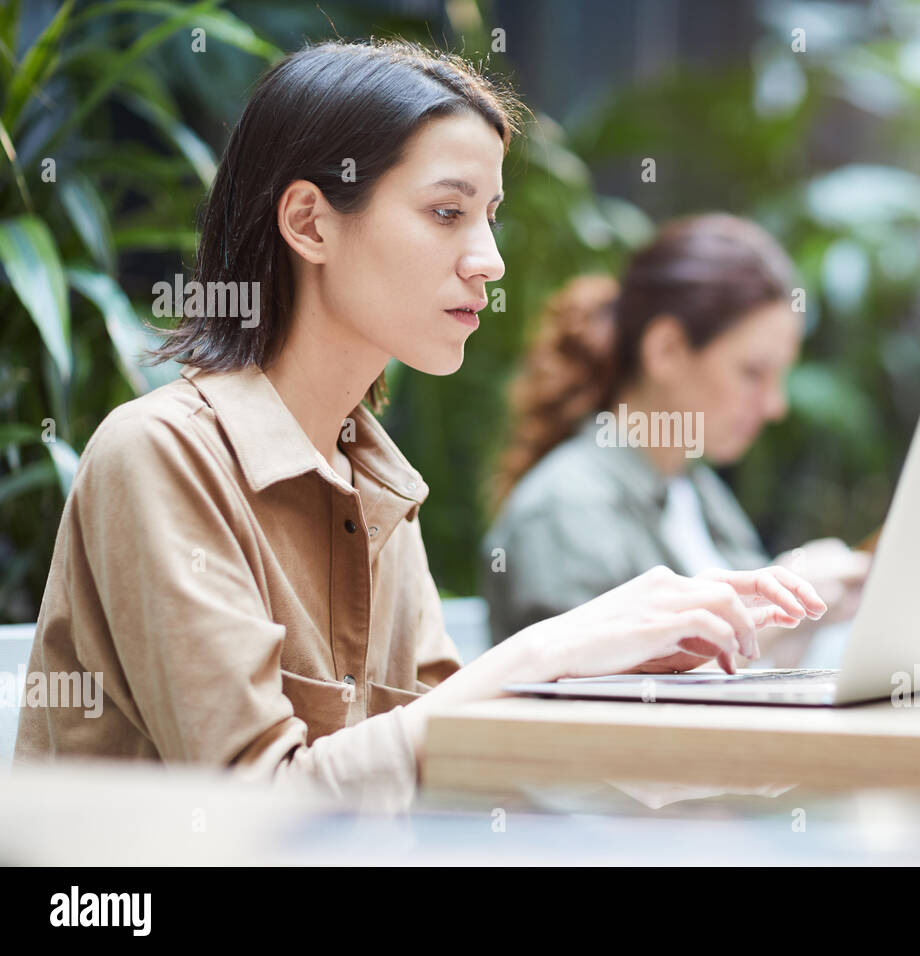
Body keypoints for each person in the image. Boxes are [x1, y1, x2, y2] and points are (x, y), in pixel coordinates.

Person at [14, 39, 825, 811]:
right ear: (309, 222)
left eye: (490, 217)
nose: (489, 259)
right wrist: (547, 652)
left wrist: (649, 690)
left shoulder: (373, 478)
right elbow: (257, 814)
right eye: (446, 212)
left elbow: (444, 772)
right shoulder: (161, 455)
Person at [483, 213, 870, 664]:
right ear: (666, 349)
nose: (774, 405)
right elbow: (602, 699)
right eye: (752, 373)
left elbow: (749, 675)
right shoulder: (566, 511)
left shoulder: (694, 490)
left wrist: (806, 607)